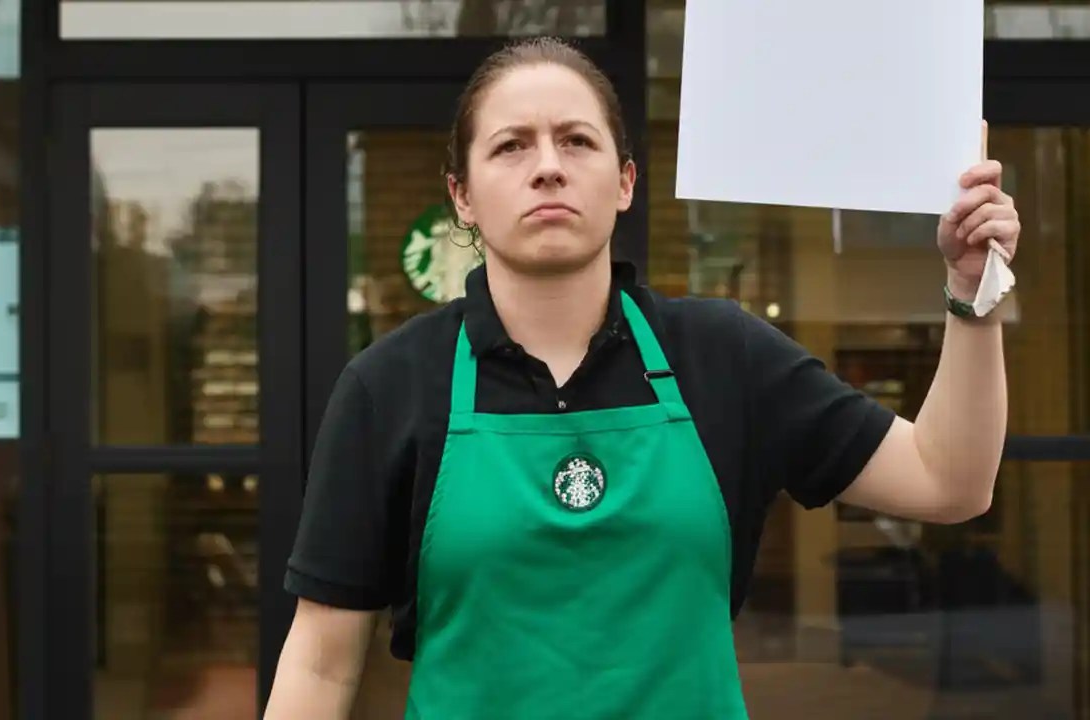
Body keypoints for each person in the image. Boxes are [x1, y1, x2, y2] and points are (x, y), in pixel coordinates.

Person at [265, 36, 1020, 720]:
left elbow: (949, 481)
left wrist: (971, 294)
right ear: (462, 195)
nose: (549, 165)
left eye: (577, 140)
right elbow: (322, 664)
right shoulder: (388, 386)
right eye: (511, 147)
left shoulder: (723, 355)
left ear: (625, 181)